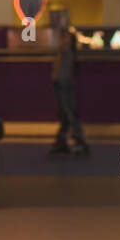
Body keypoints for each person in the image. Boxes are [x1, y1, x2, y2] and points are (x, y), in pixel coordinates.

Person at [47, 26, 89, 156]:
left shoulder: (66, 52)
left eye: (64, 38)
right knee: (64, 114)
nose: (61, 40)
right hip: (61, 83)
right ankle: (62, 141)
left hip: (64, 84)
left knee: (68, 112)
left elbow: (60, 68)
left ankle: (79, 140)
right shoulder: (63, 52)